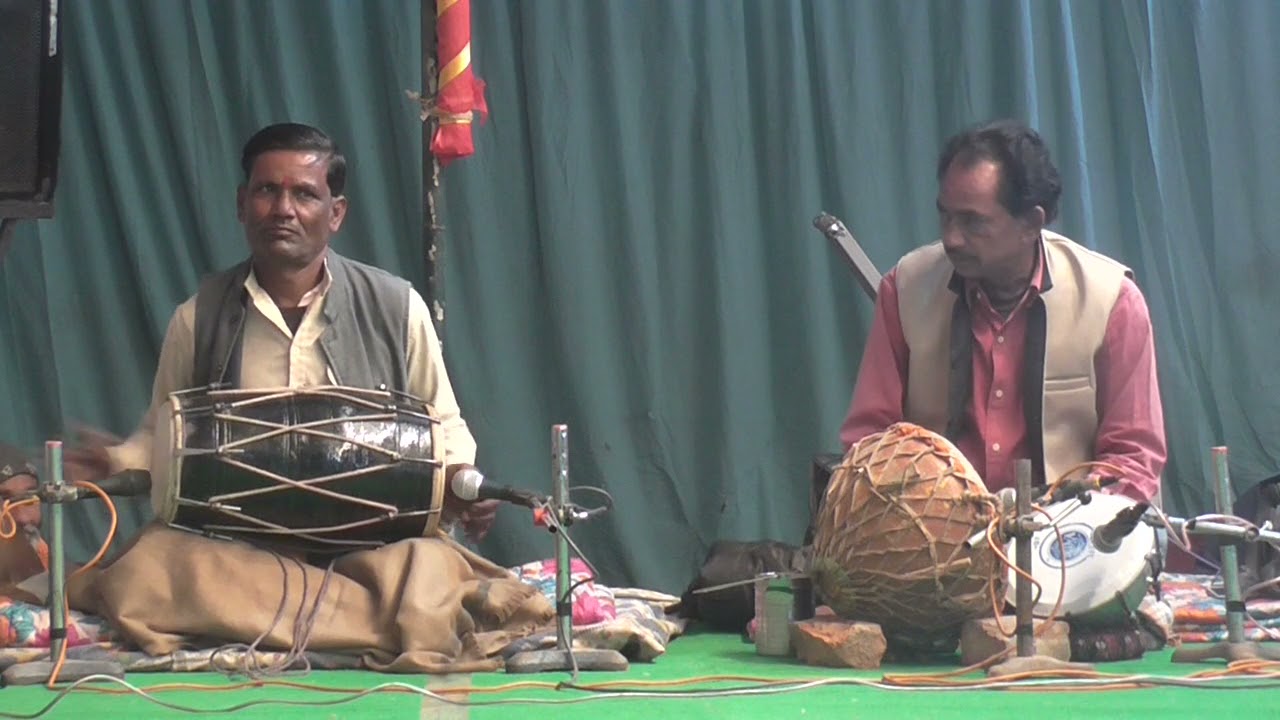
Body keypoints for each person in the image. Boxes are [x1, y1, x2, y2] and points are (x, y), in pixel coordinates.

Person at [67, 122, 498, 542]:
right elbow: (161, 435)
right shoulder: (198, 319)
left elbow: (444, 422)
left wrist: (462, 478)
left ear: (336, 213)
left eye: (305, 194)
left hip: (372, 545)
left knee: (427, 593)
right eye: (267, 190)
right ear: (241, 203)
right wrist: (110, 464)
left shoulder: (396, 308)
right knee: (150, 577)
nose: (283, 210)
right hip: (238, 549)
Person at [840, 119, 1166, 503]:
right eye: (945, 216)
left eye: (972, 222)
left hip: (1069, 541)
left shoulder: (1112, 302)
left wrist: (1069, 519)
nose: (951, 238)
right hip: (932, 541)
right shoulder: (905, 289)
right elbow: (868, 443)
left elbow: (1132, 461)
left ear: (1031, 223)